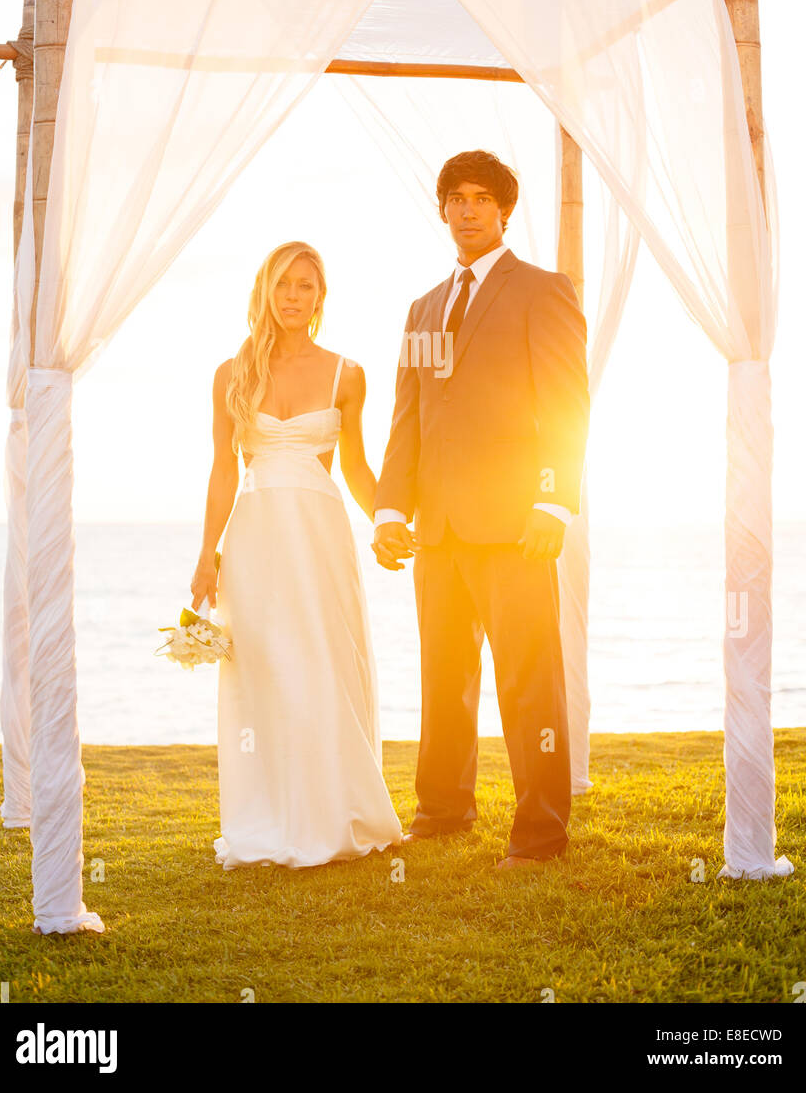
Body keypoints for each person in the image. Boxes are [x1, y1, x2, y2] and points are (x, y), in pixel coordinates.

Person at [372, 150, 590, 869]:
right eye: (455, 198)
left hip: (516, 524)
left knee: (530, 681)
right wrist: (388, 512)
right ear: (442, 210)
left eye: (480, 199)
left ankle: (540, 835)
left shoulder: (542, 291)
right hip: (436, 531)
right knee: (444, 677)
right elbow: (410, 417)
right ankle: (441, 812)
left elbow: (565, 402)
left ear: (504, 210)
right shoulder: (423, 308)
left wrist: (554, 502)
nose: (467, 210)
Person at [191, 240, 402, 869]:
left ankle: (337, 808)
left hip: (318, 533)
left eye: (306, 286)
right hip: (253, 536)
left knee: (323, 660)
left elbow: (358, 468)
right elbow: (222, 471)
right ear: (265, 289)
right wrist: (208, 553)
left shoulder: (348, 374)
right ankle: (271, 815)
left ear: (321, 297)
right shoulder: (232, 374)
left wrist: (388, 520)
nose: (294, 296)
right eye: (284, 283)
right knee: (263, 669)